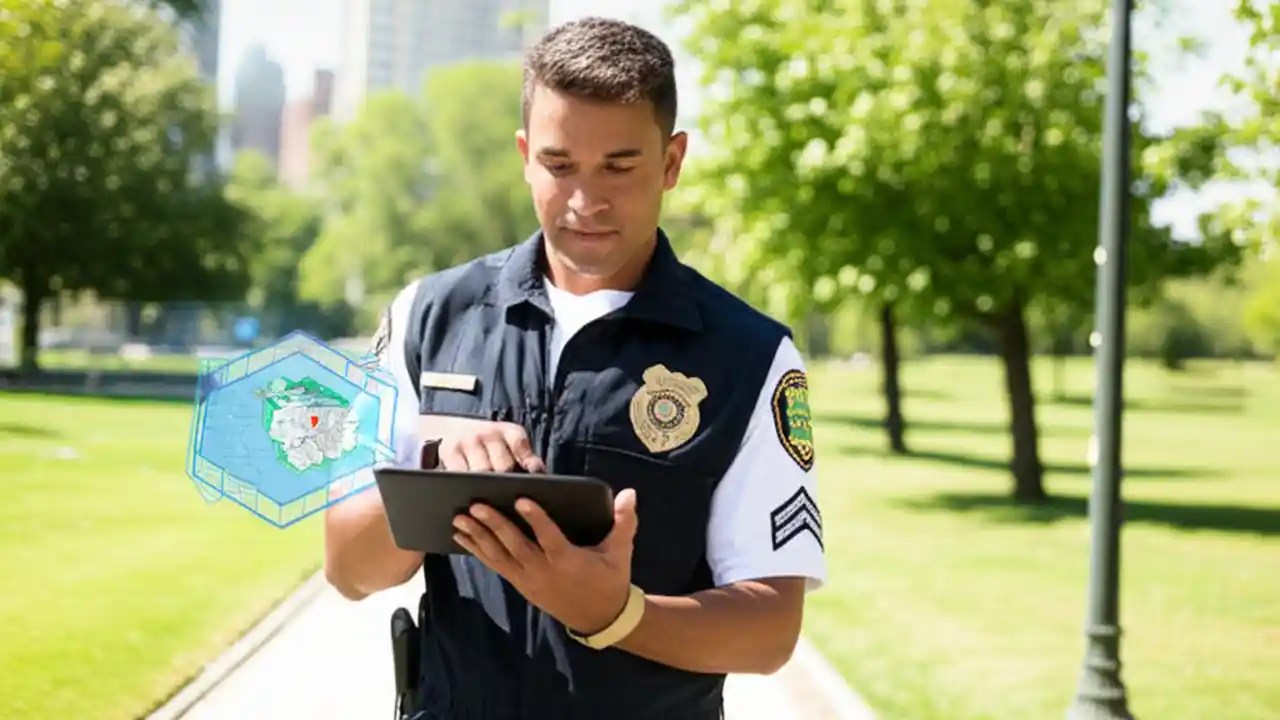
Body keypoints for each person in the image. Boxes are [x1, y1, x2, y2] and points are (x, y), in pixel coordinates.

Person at [323, 17, 826, 719]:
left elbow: (771, 629)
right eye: (560, 166)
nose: (586, 202)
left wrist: (616, 613)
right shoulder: (425, 316)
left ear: (672, 162)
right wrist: (435, 471)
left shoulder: (751, 357)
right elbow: (348, 570)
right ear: (526, 155)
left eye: (619, 167)